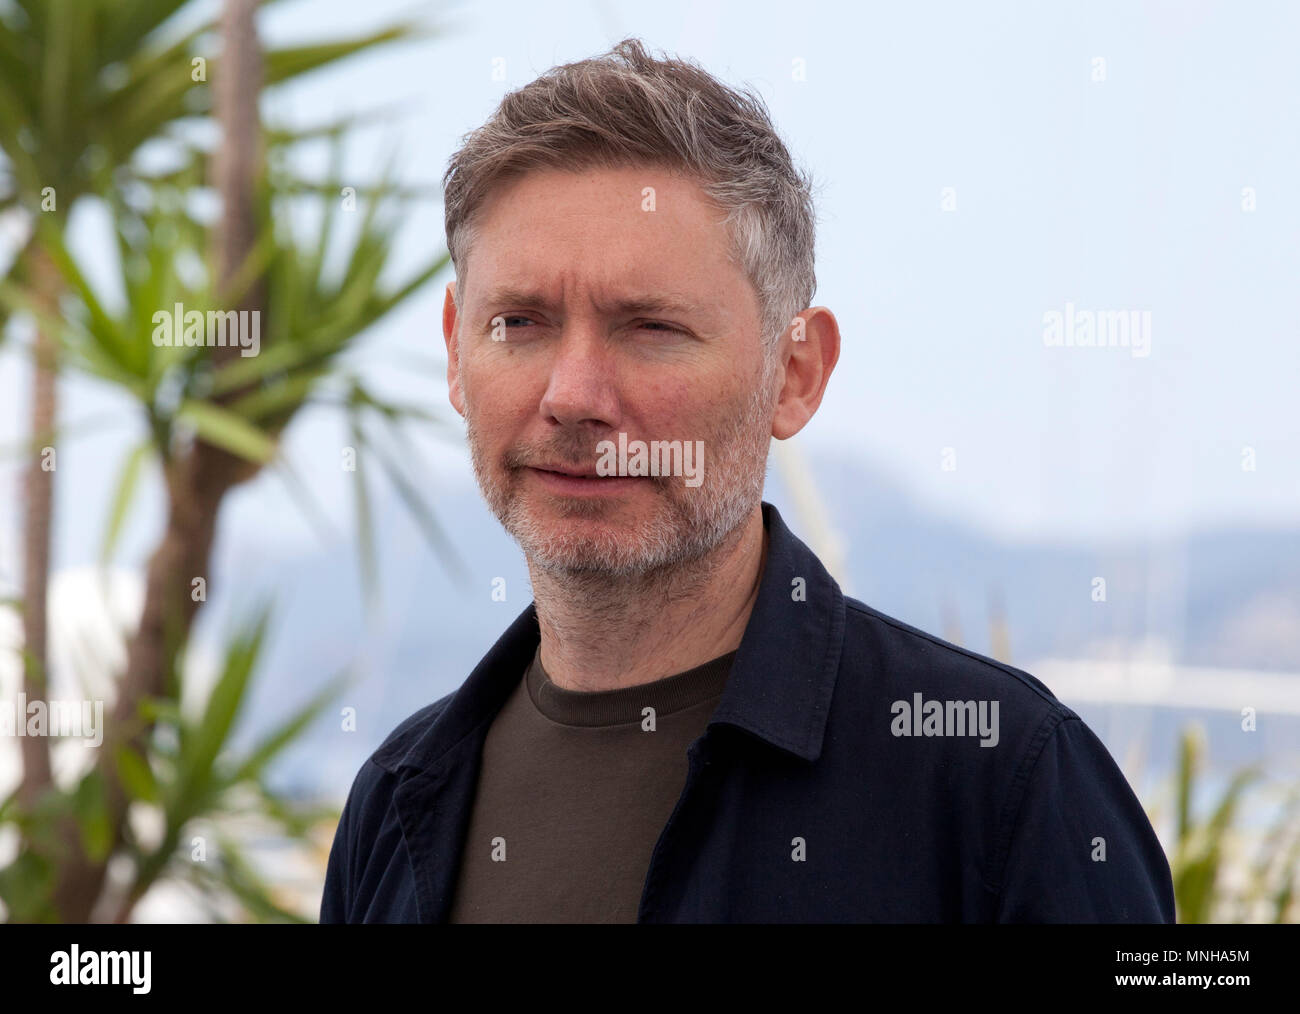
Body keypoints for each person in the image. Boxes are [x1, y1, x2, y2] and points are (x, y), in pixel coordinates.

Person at [320, 37, 1175, 923]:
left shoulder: (1003, 784)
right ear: (457, 350)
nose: (573, 397)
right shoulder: (395, 804)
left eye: (650, 327)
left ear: (795, 372)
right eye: (520, 322)